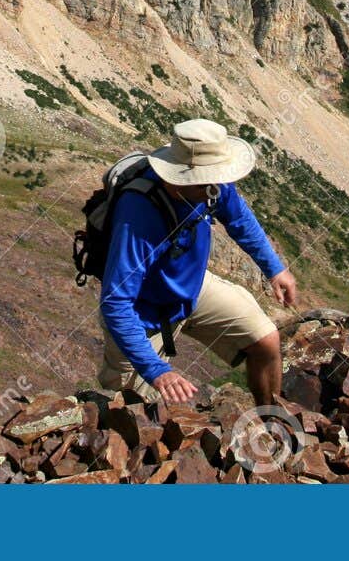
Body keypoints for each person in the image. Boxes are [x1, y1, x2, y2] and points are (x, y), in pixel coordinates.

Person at [97, 118, 297, 405]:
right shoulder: (138, 215)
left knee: (265, 342)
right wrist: (156, 370)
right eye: (208, 179)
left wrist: (274, 269)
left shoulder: (210, 186)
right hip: (143, 312)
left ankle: (271, 417)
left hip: (191, 287)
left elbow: (239, 218)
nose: (217, 187)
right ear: (184, 178)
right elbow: (116, 302)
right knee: (135, 407)